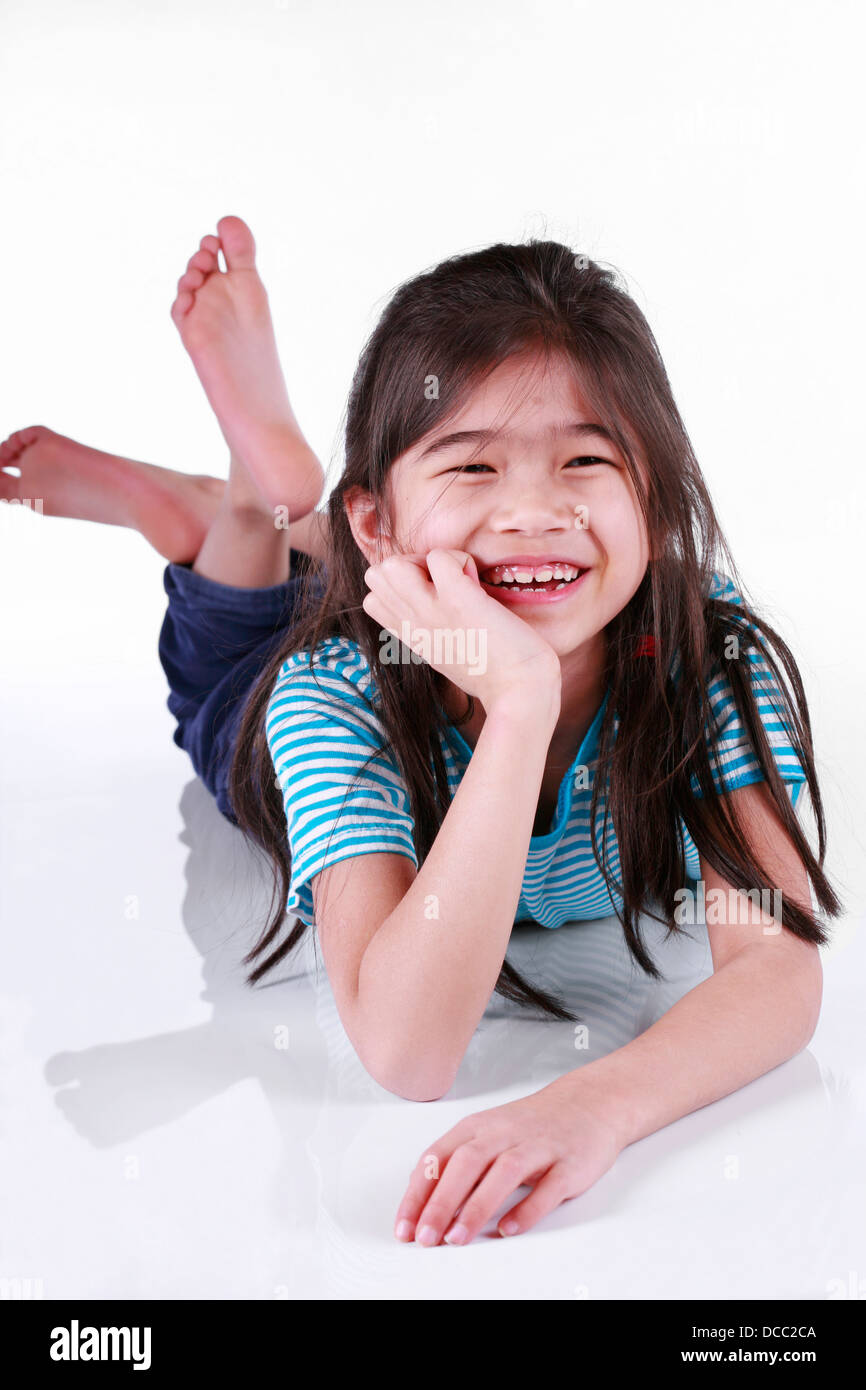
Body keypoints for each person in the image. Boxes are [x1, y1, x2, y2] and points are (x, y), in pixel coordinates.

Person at [1, 215, 841, 1249]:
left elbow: (775, 967)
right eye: (473, 468)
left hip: (391, 561)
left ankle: (262, 509)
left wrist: (594, 1105)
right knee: (227, 664)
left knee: (369, 565)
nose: (534, 510)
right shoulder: (328, 696)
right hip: (336, 640)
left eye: (585, 460)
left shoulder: (703, 656)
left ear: (657, 502)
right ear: (380, 524)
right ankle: (248, 504)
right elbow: (410, 1052)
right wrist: (520, 707)